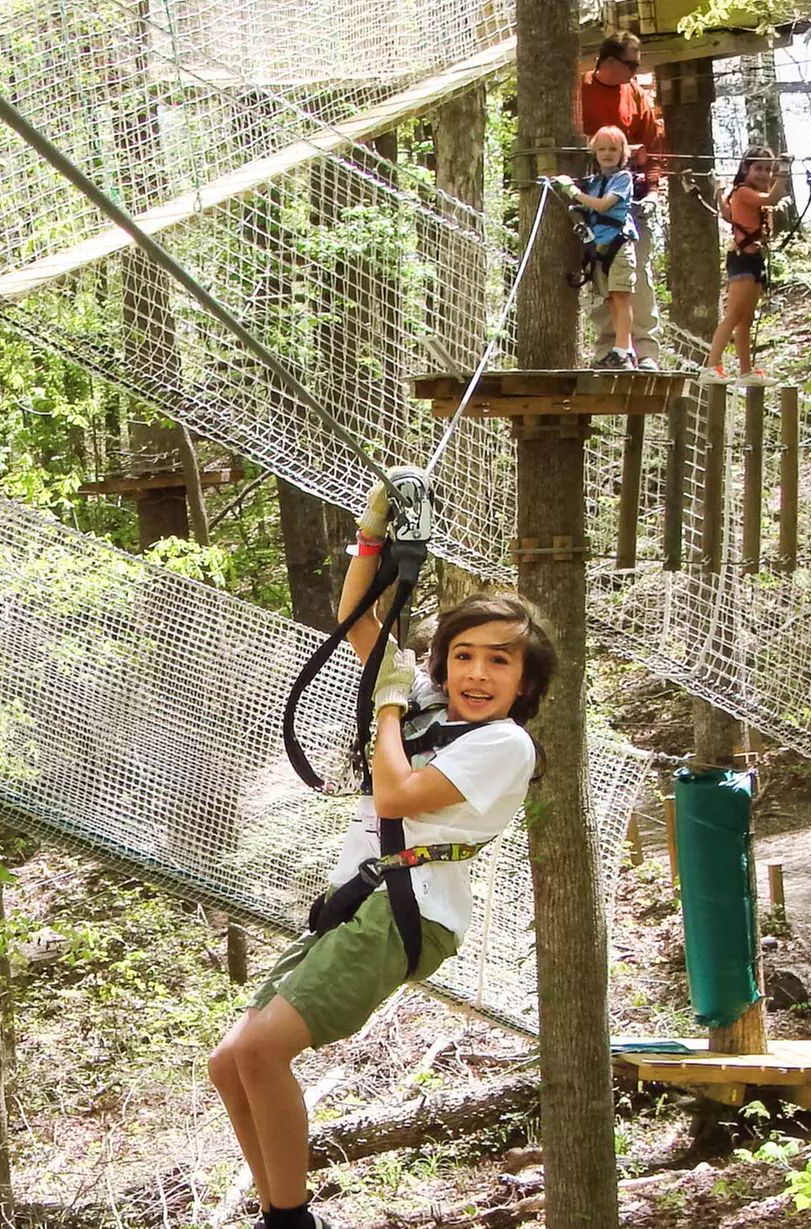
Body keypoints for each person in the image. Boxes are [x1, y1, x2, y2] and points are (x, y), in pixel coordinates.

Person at [206, 471, 552, 1229]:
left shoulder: (504, 744)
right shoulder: (432, 705)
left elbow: (396, 794)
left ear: (525, 684)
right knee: (230, 1060)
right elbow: (356, 619)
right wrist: (374, 536)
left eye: (500, 661)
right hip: (363, 899)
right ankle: (280, 1213)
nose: (478, 674)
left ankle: (293, 1220)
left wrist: (389, 700)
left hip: (407, 910)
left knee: (262, 1051)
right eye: (464, 656)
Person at [579, 30, 664, 368]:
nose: (636, 70)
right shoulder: (579, 90)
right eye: (632, 64)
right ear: (610, 61)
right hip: (592, 204)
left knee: (636, 278)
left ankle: (645, 352)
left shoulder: (637, 95)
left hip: (632, 203)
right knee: (601, 280)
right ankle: (609, 351)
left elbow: (655, 146)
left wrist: (654, 192)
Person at [558, 127, 640, 369]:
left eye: (613, 149)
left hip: (619, 244)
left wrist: (573, 192)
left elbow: (604, 206)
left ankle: (622, 350)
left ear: (622, 153)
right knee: (612, 300)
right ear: (594, 152)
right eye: (602, 149)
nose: (607, 154)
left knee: (621, 297)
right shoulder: (594, 182)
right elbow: (591, 206)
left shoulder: (623, 179)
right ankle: (623, 348)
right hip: (600, 247)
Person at [703, 146, 780, 387]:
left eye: (768, 169)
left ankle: (745, 371)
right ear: (746, 169)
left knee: (746, 318)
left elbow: (728, 215)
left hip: (755, 260)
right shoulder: (745, 192)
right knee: (734, 314)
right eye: (758, 168)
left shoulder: (748, 197)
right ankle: (711, 366)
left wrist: (719, 191)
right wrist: (785, 172)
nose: (764, 174)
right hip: (743, 260)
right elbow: (772, 198)